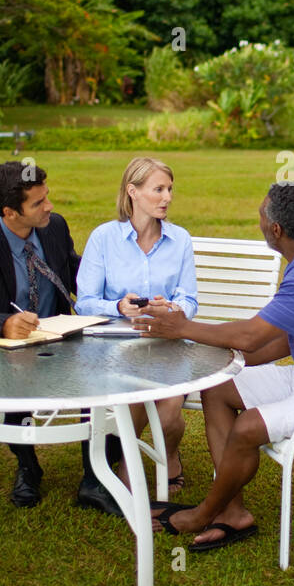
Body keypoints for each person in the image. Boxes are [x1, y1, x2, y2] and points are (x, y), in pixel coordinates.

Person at [133, 182, 294, 550]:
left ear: (276, 230)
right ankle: (233, 512)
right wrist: (231, 363)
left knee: (248, 426)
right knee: (217, 386)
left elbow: (253, 335)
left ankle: (204, 511)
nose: (258, 220)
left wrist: (182, 328)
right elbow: (284, 340)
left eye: (260, 215)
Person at [0, 160, 122, 514]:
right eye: (38, 203)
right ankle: (27, 463)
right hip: (10, 353)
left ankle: (95, 478)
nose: (49, 207)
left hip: (66, 342)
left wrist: (119, 292)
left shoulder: (54, 228)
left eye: (47, 197)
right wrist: (3, 323)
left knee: (112, 378)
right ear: (9, 212)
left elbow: (74, 270)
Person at [77, 157, 197, 495]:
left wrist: (171, 309)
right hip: (117, 347)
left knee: (170, 410)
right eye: (158, 189)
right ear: (133, 192)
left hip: (167, 343)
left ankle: (168, 454)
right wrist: (118, 306)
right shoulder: (103, 238)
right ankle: (130, 463)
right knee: (135, 396)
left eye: (169, 189)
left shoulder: (180, 240)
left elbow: (189, 299)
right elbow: (84, 301)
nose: (167, 197)